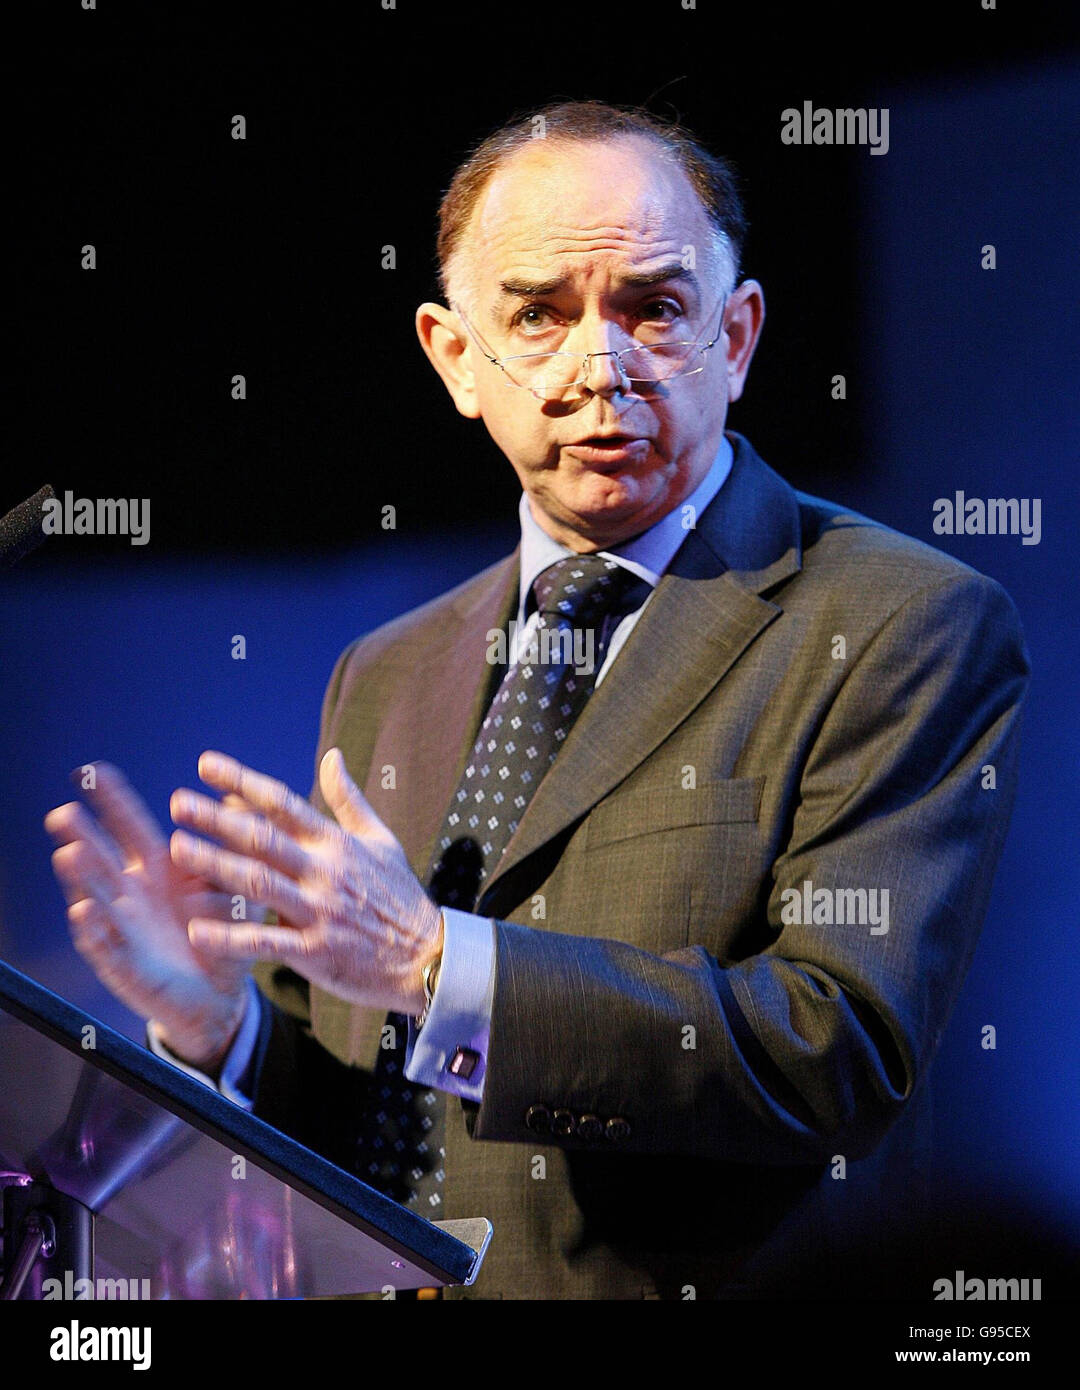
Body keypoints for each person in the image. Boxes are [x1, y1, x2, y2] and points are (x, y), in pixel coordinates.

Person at [45, 100, 1030, 1300]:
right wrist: (219, 1030)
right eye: (538, 316)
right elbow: (376, 1129)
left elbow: (834, 1050)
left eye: (653, 307)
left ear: (739, 336)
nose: (599, 365)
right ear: (456, 357)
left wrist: (432, 957)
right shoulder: (387, 669)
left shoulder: (895, 620)